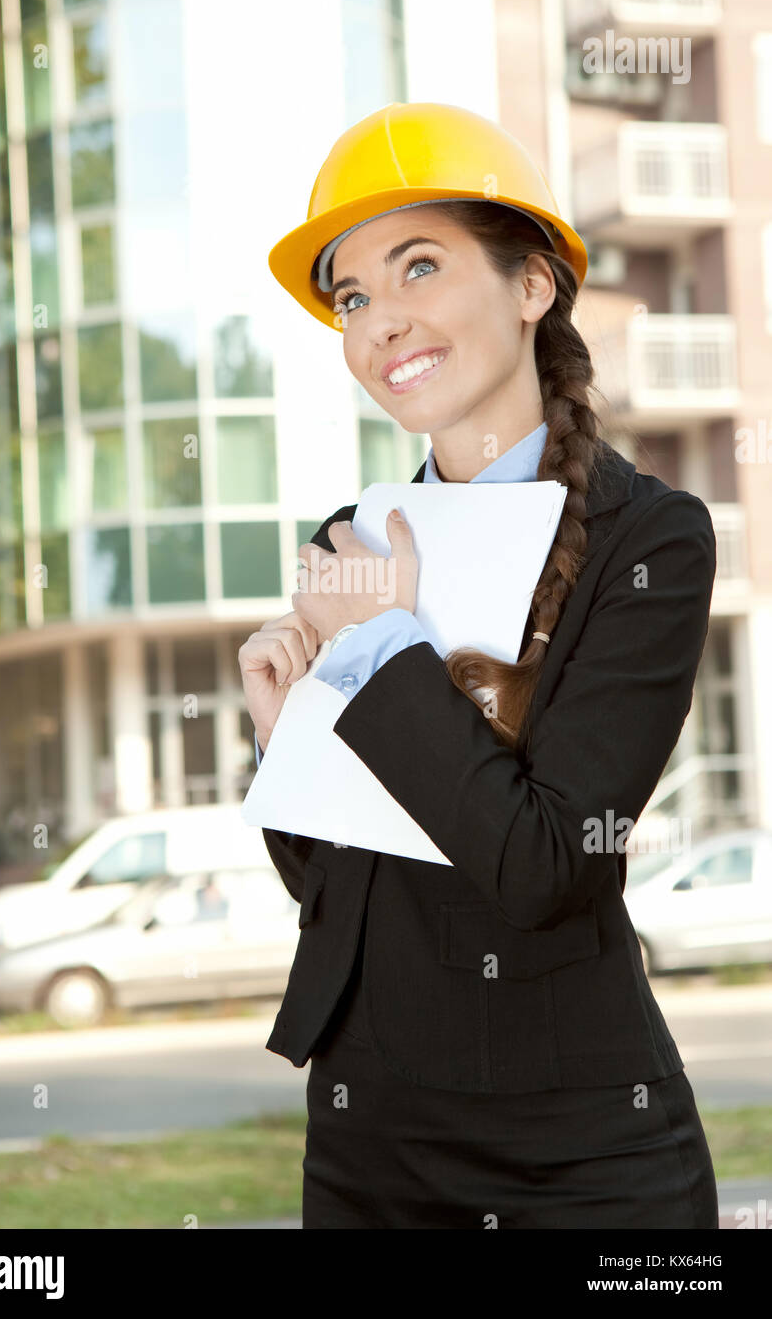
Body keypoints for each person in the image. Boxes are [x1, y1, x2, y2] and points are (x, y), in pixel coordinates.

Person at [237, 102, 719, 1229]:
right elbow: (347, 893)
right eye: (352, 296)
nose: (378, 321)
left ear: (532, 285)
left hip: (580, 1156)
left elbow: (544, 865)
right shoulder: (348, 535)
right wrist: (282, 743)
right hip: (370, 1146)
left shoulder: (650, 540)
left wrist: (384, 649)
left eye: (418, 267)